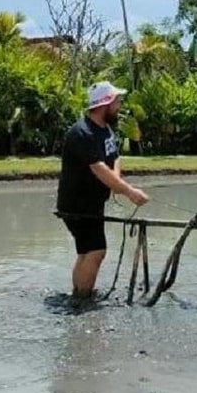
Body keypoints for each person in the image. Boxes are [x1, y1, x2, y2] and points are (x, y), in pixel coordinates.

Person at [57, 81, 149, 300]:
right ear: (105, 104)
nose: (119, 106)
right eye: (117, 101)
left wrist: (115, 182)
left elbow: (113, 156)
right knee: (95, 251)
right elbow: (98, 168)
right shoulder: (83, 133)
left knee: (86, 251)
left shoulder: (105, 129)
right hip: (78, 204)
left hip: (92, 203)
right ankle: (83, 301)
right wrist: (129, 192)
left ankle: (79, 295)